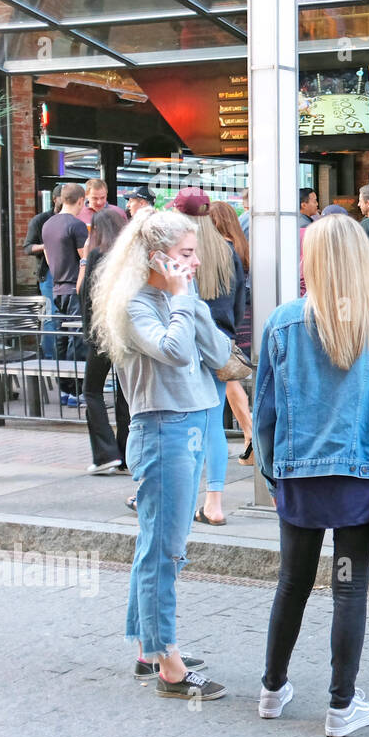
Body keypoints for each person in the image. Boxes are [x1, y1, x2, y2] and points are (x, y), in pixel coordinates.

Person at [255, 213, 369, 737]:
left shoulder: (282, 322)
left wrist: (271, 469)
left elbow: (264, 412)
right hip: (359, 476)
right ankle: (340, 706)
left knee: (292, 584)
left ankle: (272, 689)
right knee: (349, 590)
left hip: (299, 477)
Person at [92, 207, 232, 699]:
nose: (195, 263)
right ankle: (168, 663)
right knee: (165, 549)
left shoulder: (178, 296)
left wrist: (187, 300)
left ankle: (149, 648)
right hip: (163, 430)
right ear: (158, 257)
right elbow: (173, 351)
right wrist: (179, 301)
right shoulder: (136, 305)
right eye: (186, 255)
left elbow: (218, 354)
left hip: (189, 423)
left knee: (159, 545)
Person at [178, 189, 247, 527]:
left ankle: (184, 499)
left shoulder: (177, 252)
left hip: (185, 346)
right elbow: (238, 304)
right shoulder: (228, 251)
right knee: (213, 425)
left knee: (185, 425)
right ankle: (214, 503)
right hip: (219, 344)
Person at [77, 206, 129, 474]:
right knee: (126, 394)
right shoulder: (130, 256)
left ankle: (105, 453)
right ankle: (128, 453)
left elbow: (85, 295)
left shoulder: (97, 255)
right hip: (126, 334)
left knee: (92, 391)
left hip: (101, 334)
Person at [209, 200, 255, 465]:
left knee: (228, 378)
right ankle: (249, 433)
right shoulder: (240, 244)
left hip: (227, 321)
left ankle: (249, 433)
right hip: (244, 315)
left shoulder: (220, 250)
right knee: (229, 376)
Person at [41, 183, 90, 405]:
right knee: (78, 338)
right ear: (80, 200)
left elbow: (49, 257)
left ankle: (64, 390)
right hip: (74, 288)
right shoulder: (77, 225)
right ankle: (76, 391)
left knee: (60, 339)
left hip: (57, 287)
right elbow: (84, 260)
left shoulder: (48, 224)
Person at [22, 187, 61, 360]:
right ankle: (50, 360)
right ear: (55, 199)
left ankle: (67, 359)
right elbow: (28, 247)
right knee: (50, 317)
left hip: (73, 273)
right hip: (50, 273)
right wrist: (47, 246)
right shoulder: (41, 220)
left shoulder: (76, 219)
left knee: (69, 318)